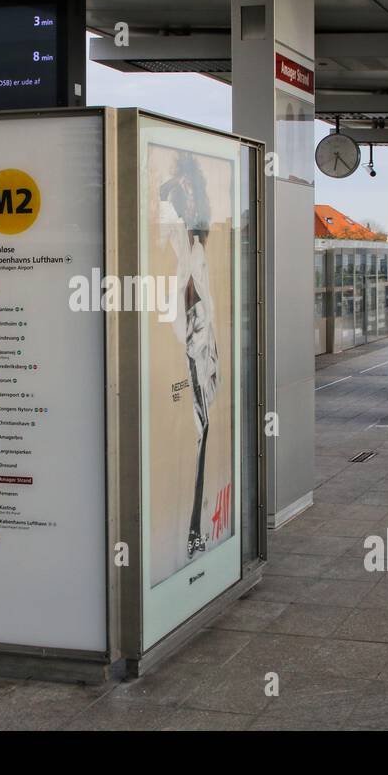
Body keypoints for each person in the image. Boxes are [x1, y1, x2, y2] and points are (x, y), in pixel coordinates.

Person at [157, 151, 220, 560]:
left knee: (202, 429)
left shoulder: (197, 242)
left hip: (202, 338)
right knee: (191, 431)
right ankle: (188, 532)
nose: (188, 193)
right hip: (180, 337)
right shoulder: (168, 222)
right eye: (181, 183)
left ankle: (193, 531)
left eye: (191, 184)